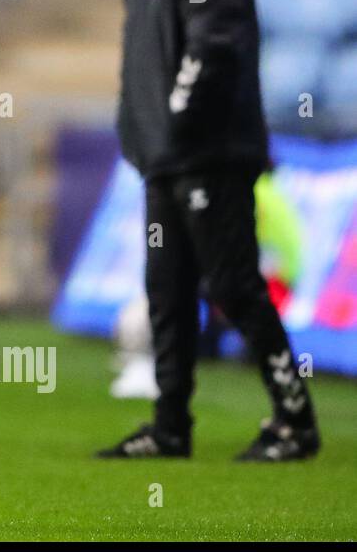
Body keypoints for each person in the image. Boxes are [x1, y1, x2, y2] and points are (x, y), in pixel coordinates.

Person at [99, 0, 319, 462]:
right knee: (167, 291)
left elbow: (212, 46)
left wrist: (174, 118)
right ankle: (170, 427)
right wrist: (143, 131)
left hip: (210, 153)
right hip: (166, 156)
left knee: (234, 286)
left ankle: (295, 421)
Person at [110, 169, 304, 400]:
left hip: (271, 278)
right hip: (274, 275)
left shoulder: (246, 190)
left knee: (185, 288)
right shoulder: (264, 188)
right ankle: (208, 348)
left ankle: (160, 360)